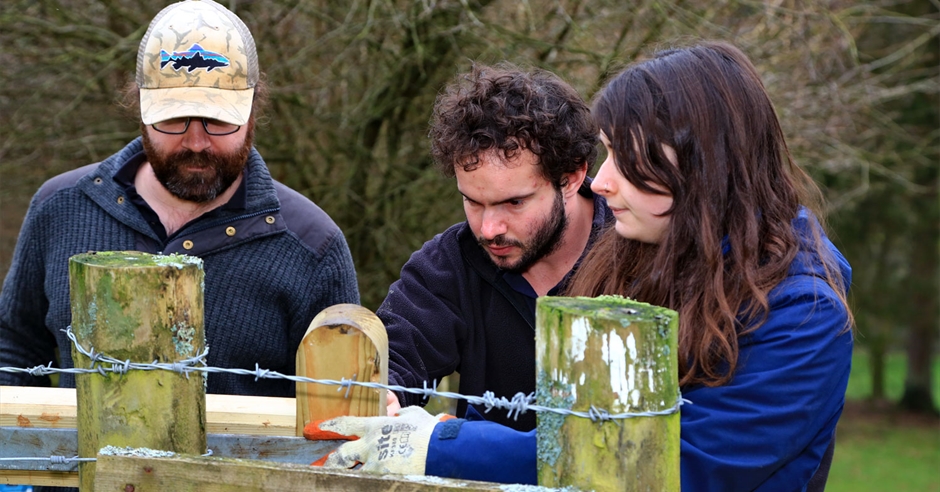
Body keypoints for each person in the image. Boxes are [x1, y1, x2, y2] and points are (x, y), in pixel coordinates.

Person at [306, 42, 854, 491]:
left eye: (627, 160)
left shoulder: (802, 314)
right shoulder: (637, 255)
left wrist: (441, 445)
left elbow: (674, 468)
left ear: (700, 168)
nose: (604, 181)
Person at [0, 0, 359, 399]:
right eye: (173, 118)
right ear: (140, 107)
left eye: (218, 120)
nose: (196, 141)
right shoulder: (60, 208)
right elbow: (12, 349)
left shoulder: (313, 247)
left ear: (253, 111)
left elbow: (336, 407)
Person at [303, 63, 611, 484]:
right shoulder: (450, 263)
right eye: (473, 202)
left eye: (514, 203)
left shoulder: (642, 255)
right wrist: (384, 397)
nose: (488, 229)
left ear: (572, 177)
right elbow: (397, 352)